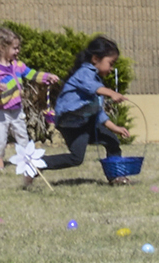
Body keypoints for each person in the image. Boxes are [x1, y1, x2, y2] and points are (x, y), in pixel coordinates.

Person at [36, 35, 132, 177]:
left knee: (112, 141)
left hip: (86, 122)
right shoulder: (84, 73)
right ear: (95, 59)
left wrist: (115, 128)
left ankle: (116, 176)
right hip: (71, 124)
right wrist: (111, 93)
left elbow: (98, 112)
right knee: (76, 158)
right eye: (110, 63)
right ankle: (37, 164)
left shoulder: (95, 80)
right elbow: (92, 87)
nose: (111, 68)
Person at [0, 27, 57, 172]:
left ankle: (27, 159)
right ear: (2, 48)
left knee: (22, 135)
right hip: (0, 112)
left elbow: (31, 74)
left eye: (18, 48)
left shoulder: (17, 65)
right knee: (0, 138)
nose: (17, 51)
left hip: (17, 108)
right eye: (14, 48)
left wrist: (47, 77)